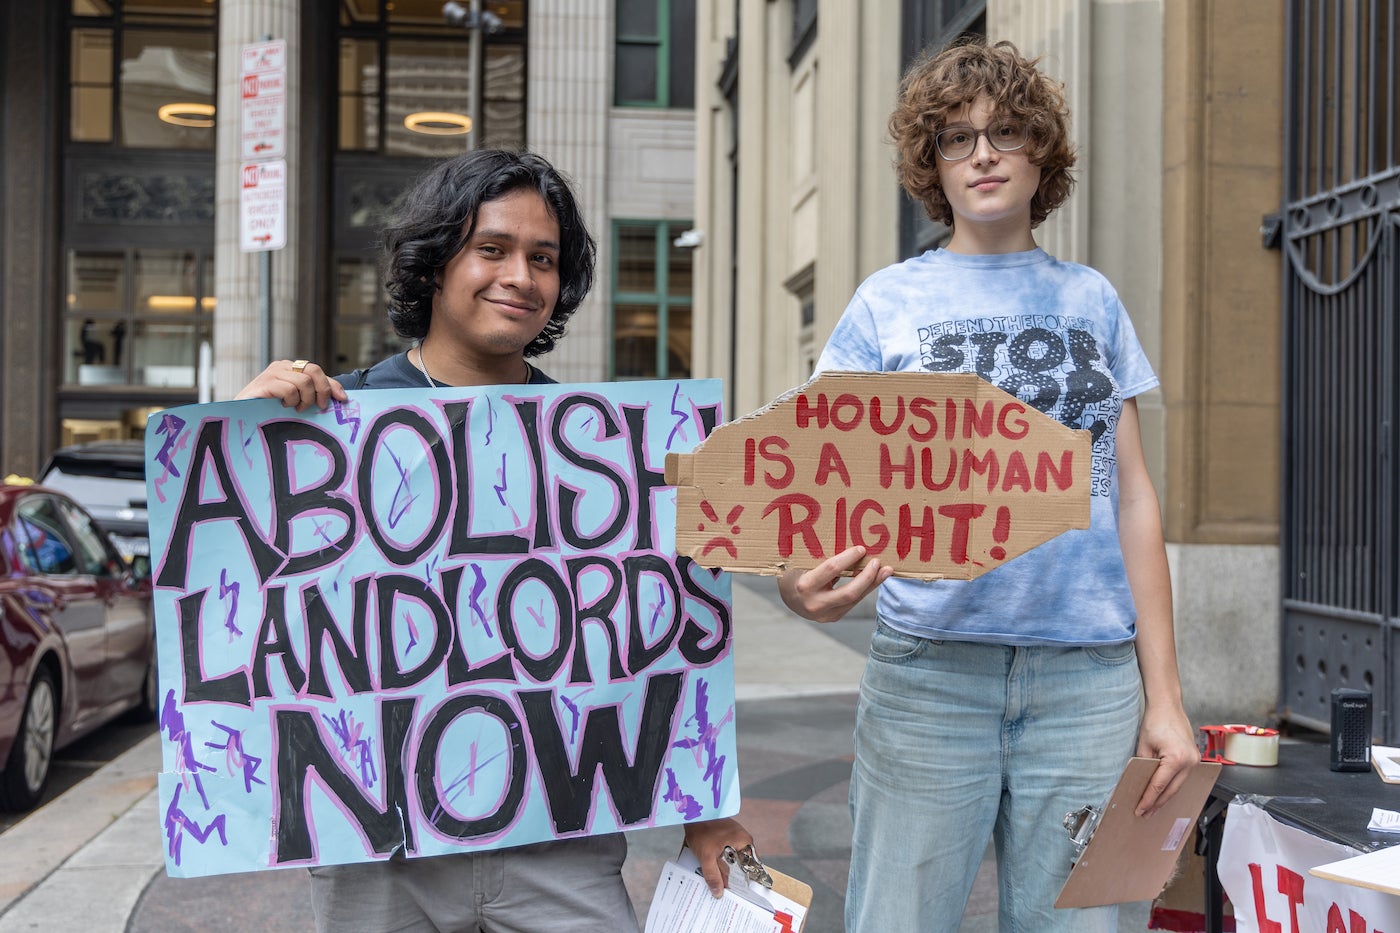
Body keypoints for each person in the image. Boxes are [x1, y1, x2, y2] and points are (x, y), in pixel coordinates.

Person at [236, 148, 752, 932]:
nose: (521, 276)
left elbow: (664, 631)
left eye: (542, 259)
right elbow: (239, 605)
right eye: (493, 249)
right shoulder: (333, 425)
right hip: (380, 844)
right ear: (436, 263)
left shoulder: (607, 448)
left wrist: (706, 805)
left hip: (559, 833)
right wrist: (239, 439)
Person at [776, 40, 1200, 932]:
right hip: (930, 674)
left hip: (1085, 682)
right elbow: (822, 482)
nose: (983, 154)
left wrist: (1164, 698)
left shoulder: (1092, 300)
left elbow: (1132, 497)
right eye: (956, 139)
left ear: (1041, 152)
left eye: (1006, 132)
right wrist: (798, 583)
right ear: (930, 164)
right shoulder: (884, 303)